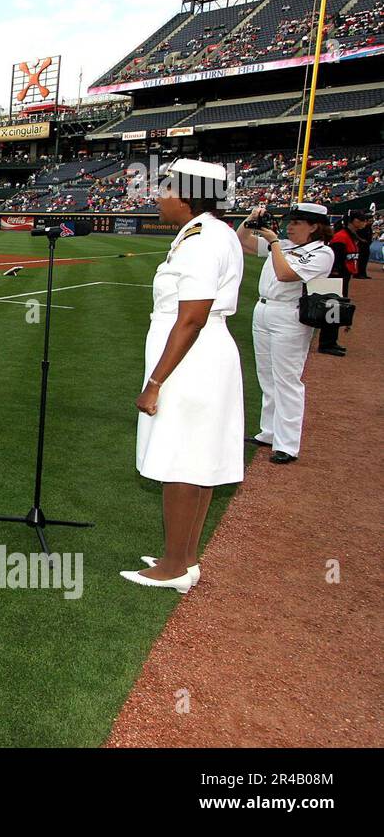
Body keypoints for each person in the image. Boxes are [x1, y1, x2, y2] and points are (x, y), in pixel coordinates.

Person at [124, 159, 244, 594]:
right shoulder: (213, 233)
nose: (159, 197)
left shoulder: (201, 240)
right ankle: (185, 557)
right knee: (198, 459)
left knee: (181, 459)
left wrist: (155, 382)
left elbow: (191, 317)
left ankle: (173, 567)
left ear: (188, 195)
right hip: (199, 354)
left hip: (190, 358)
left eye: (167, 189)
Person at [236, 202, 333, 464]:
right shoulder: (286, 245)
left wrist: (275, 243)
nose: (290, 226)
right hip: (264, 309)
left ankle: (288, 444)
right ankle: (269, 432)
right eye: (290, 222)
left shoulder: (322, 253)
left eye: (297, 223)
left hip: (290, 316)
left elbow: (285, 274)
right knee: (266, 375)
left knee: (287, 379)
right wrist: (251, 218)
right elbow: (241, 241)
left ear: (314, 226)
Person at [318, 210, 368, 355]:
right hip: (336, 279)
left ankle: (331, 341)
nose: (364, 222)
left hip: (343, 278)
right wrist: (335, 280)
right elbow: (334, 262)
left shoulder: (350, 236)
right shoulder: (341, 237)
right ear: (353, 221)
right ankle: (326, 343)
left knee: (337, 310)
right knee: (332, 310)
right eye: (362, 219)